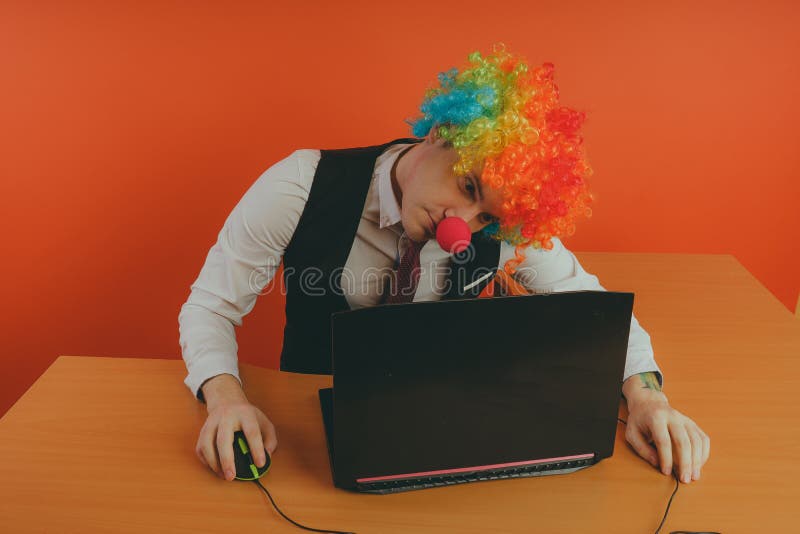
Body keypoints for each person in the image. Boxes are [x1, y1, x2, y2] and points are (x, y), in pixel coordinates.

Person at [179, 43, 710, 487]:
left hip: (435, 439)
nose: (461, 223)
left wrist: (646, 395)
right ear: (440, 133)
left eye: (485, 216)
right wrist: (225, 399)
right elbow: (209, 306)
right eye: (467, 186)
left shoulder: (502, 231)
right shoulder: (299, 186)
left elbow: (598, 311)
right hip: (310, 442)